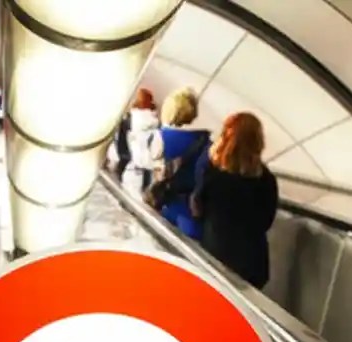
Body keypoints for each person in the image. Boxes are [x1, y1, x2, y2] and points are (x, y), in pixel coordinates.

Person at [191, 113, 277, 289]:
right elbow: (266, 221)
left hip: (215, 256)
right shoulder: (266, 179)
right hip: (252, 264)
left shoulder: (212, 173)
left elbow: (197, 209)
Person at [155, 87, 211, 239]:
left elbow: (155, 170)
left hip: (169, 204)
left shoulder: (161, 137)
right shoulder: (205, 139)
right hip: (194, 209)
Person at [119, 88, 162, 198]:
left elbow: (122, 148)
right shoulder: (157, 124)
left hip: (133, 167)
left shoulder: (129, 121)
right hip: (150, 168)